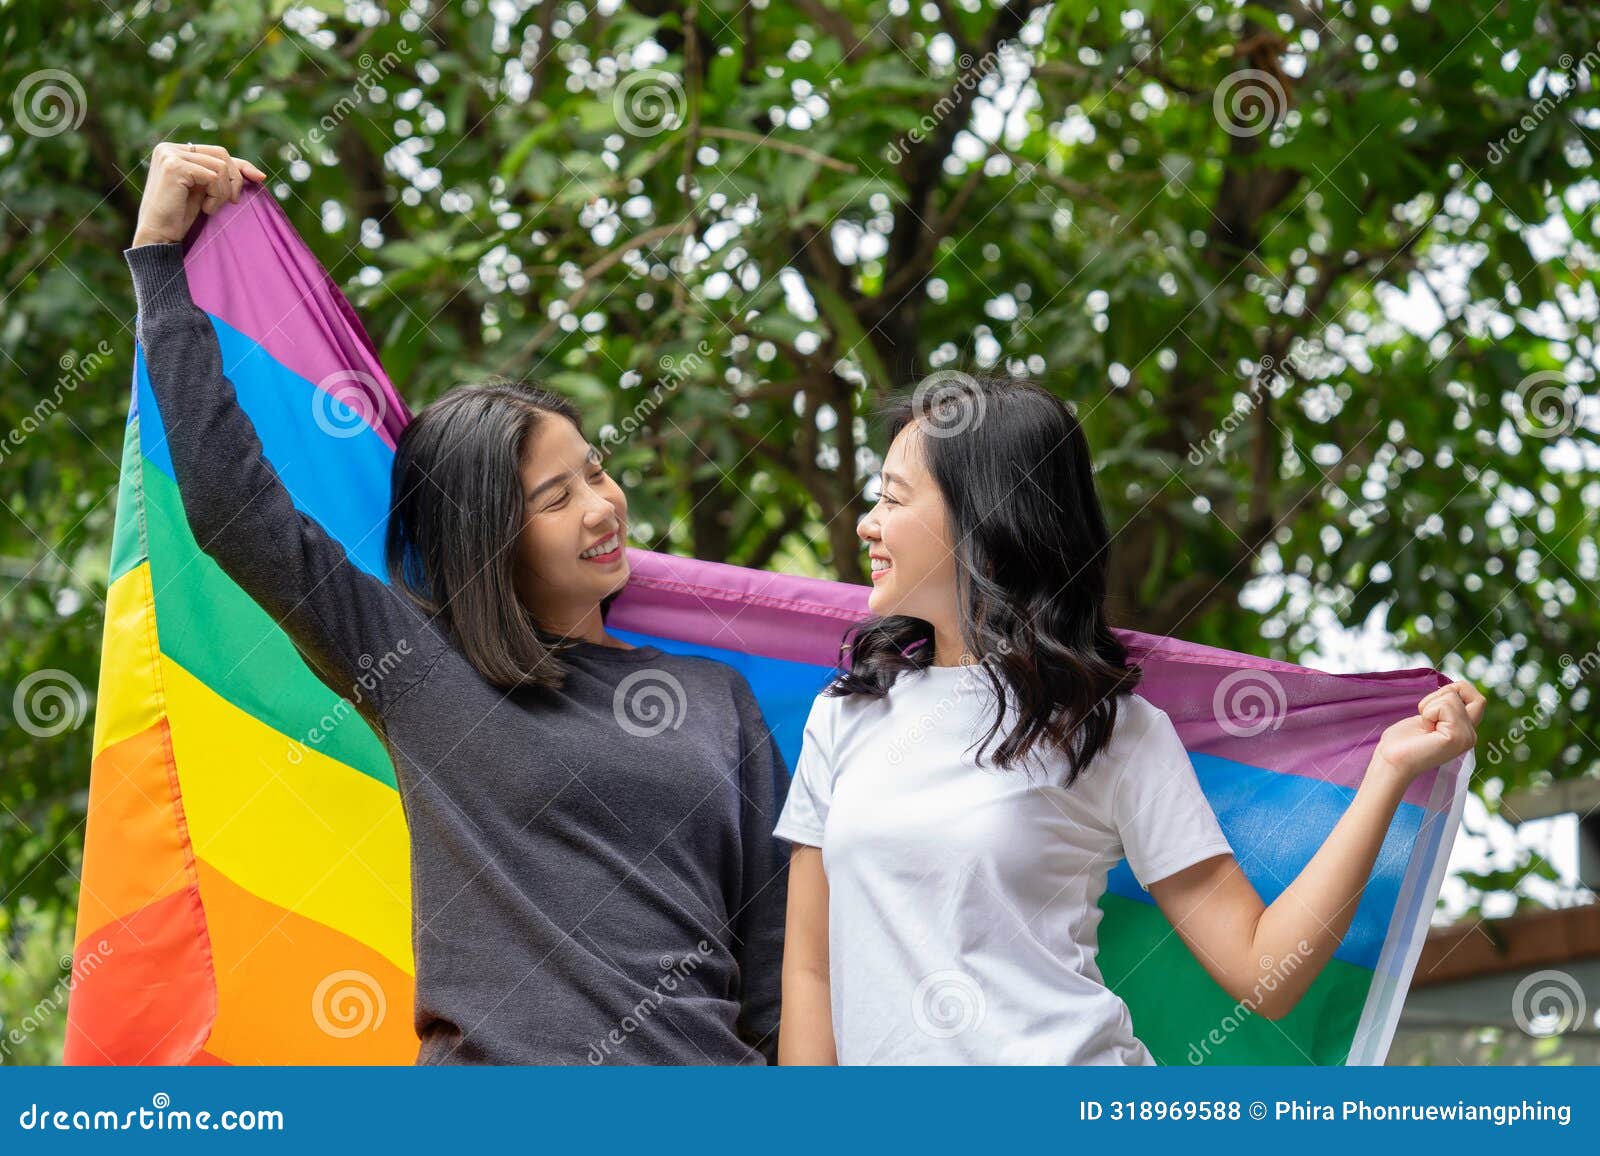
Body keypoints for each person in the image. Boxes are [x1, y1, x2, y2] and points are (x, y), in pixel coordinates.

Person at [127, 141, 788, 1064]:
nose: (602, 507)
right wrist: (160, 261)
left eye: (596, 471)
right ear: (487, 541)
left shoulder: (717, 696)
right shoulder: (419, 669)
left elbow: (779, 976)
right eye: (556, 500)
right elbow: (236, 511)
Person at [775, 374, 1485, 1065]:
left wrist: (1387, 774)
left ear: (985, 522)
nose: (867, 523)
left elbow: (1262, 971)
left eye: (893, 500)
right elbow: (810, 972)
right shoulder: (846, 715)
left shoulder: (1109, 730)